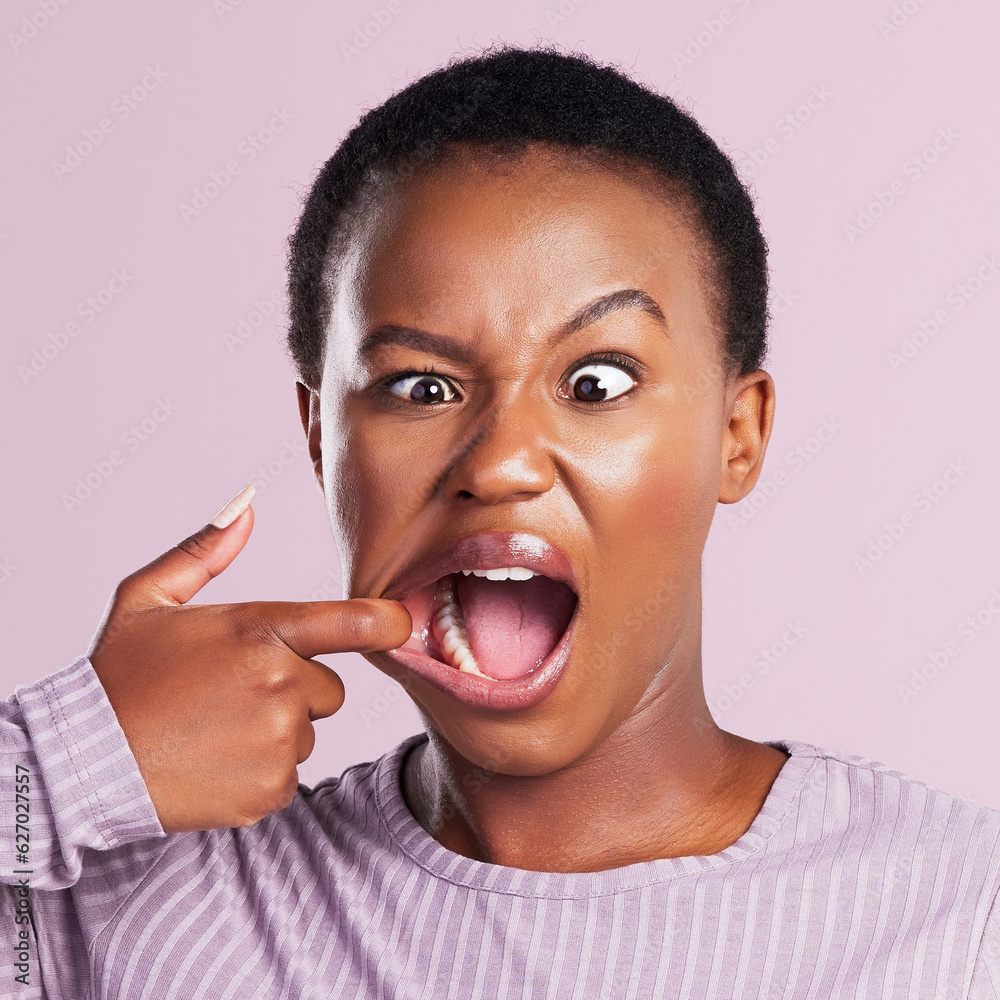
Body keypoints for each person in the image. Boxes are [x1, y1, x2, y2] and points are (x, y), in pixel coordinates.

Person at [3, 46, 1000, 999]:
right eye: (421, 385)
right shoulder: (144, 915)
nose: (500, 460)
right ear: (320, 438)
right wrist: (56, 766)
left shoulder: (963, 919)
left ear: (735, 435)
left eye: (596, 381)